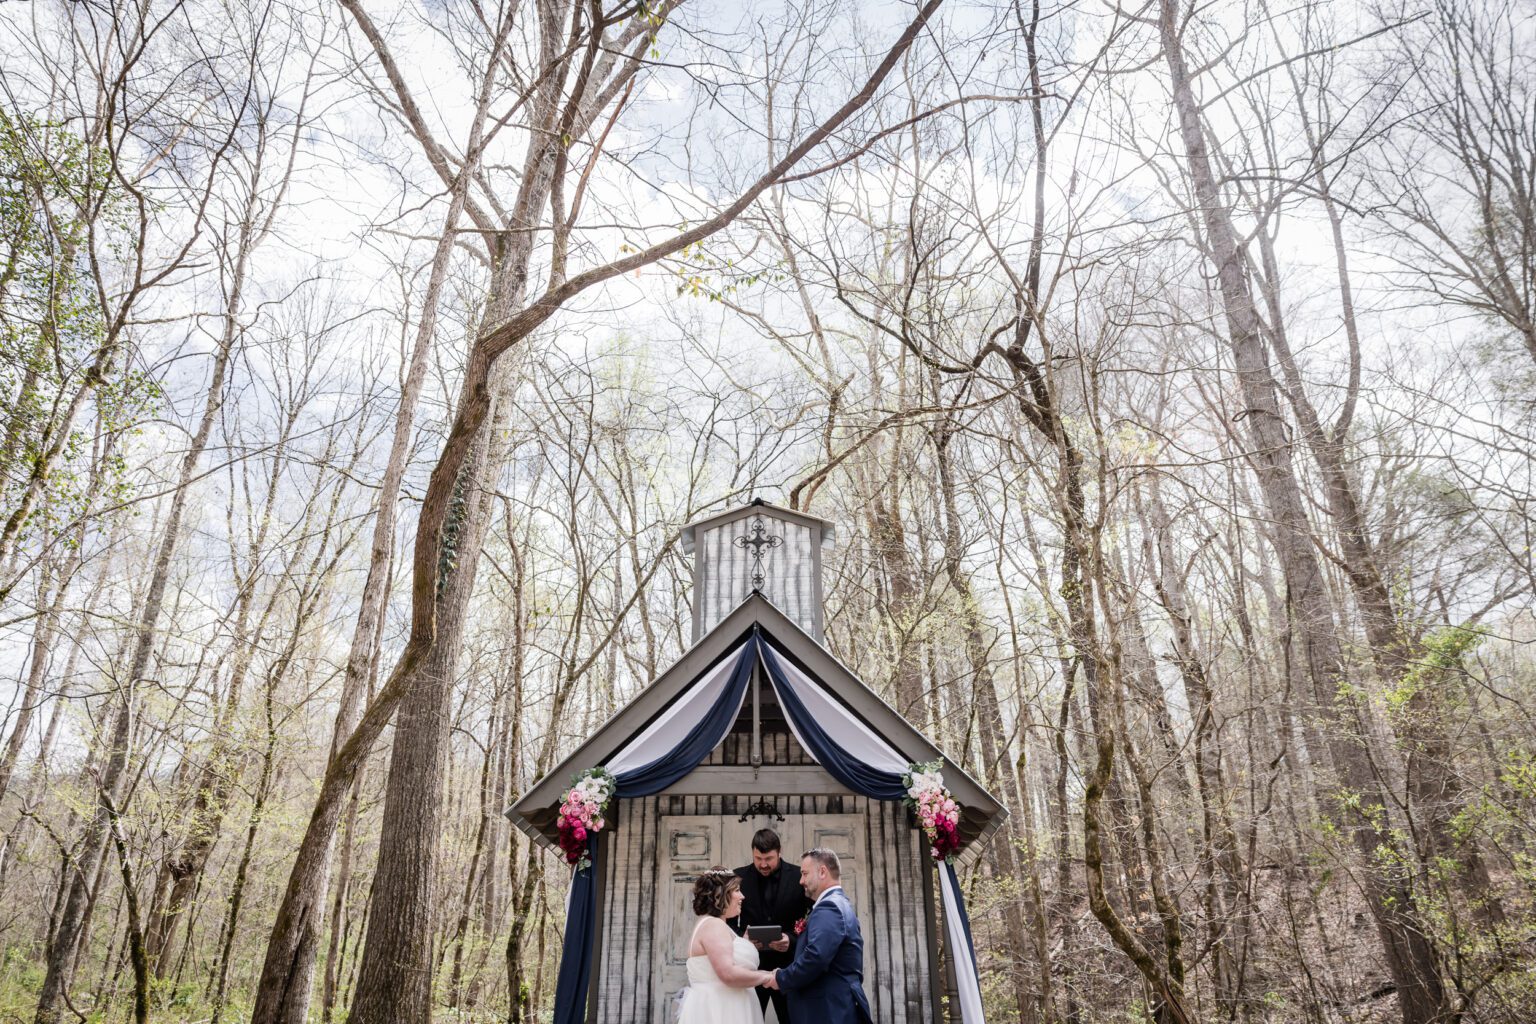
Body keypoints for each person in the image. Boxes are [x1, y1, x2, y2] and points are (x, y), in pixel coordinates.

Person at [763, 848, 872, 1024]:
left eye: (805, 874)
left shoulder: (830, 907)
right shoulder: (837, 903)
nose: (801, 881)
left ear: (822, 872)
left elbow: (816, 956)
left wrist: (781, 977)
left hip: (829, 1011)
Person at [732, 829, 812, 1024]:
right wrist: (744, 940)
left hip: (788, 968)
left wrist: (791, 940)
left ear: (779, 852)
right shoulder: (738, 877)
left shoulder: (798, 878)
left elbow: (812, 919)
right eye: (758, 858)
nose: (763, 864)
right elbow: (728, 924)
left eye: (769, 858)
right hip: (750, 969)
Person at [679, 868, 776, 1024]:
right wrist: (768, 976)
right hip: (722, 1009)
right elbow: (728, 974)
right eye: (737, 890)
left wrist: (744, 943)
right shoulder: (714, 926)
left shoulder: (716, 925)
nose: (742, 896)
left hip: (727, 1004)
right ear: (720, 895)